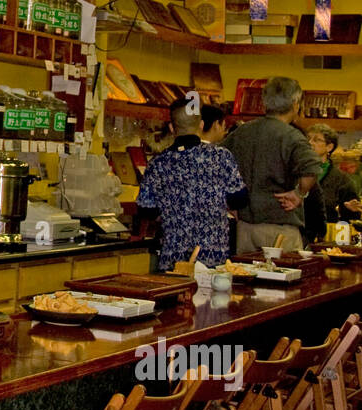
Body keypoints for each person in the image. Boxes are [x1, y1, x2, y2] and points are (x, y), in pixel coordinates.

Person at [135, 97, 248, 270]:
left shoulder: (158, 164)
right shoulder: (221, 157)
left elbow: (146, 209)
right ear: (201, 125)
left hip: (173, 261)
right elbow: (239, 199)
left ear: (172, 128)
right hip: (214, 260)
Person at [223, 77, 321, 253]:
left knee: (247, 278)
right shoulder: (292, 137)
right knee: (284, 277)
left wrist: (230, 202)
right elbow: (312, 168)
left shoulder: (241, 132)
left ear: (264, 102)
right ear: (295, 103)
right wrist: (299, 193)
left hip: (245, 227)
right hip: (280, 226)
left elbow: (217, 165)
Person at [306, 124, 362, 221]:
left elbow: (352, 217)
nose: (310, 143)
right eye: (308, 138)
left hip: (326, 231)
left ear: (329, 147)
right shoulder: (296, 171)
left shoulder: (342, 180)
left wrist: (347, 209)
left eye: (316, 140)